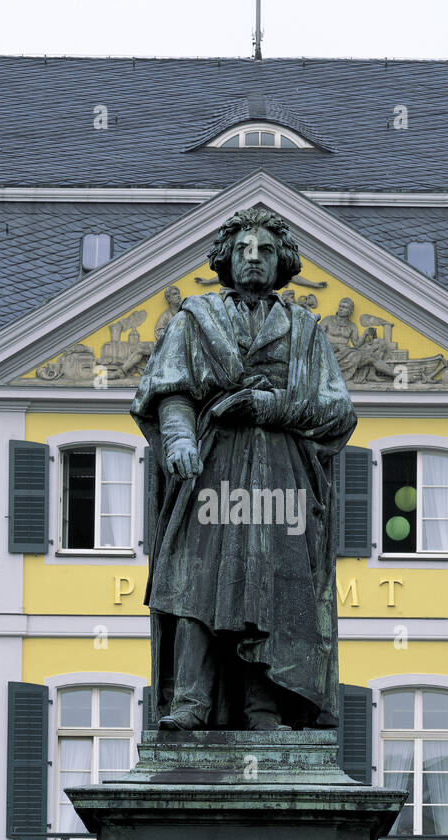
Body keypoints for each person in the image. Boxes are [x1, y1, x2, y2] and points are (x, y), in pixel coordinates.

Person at [130, 207, 356, 731]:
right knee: (192, 580)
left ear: (283, 264)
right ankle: (190, 701)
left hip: (282, 475)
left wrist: (272, 407)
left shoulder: (305, 329)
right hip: (210, 467)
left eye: (266, 250)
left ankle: (264, 708)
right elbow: (171, 388)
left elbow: (338, 409)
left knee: (274, 586)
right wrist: (180, 437)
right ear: (226, 259)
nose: (254, 258)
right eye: (244, 249)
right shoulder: (195, 318)